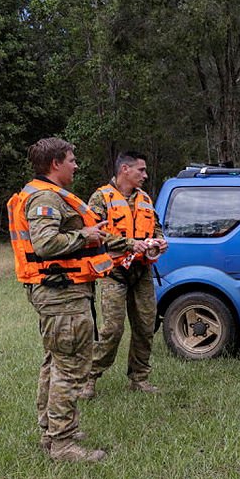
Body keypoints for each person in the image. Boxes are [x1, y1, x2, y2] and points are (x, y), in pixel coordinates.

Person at [7, 138, 147, 462]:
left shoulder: (45, 194)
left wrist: (125, 243)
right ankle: (63, 444)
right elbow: (45, 244)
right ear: (55, 163)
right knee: (69, 368)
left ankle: (51, 431)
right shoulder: (44, 197)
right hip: (61, 296)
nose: (76, 165)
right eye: (71, 160)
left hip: (61, 293)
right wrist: (86, 235)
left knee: (55, 363)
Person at [85, 152, 167, 397]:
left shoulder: (145, 199)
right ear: (124, 169)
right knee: (112, 329)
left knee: (145, 326)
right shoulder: (101, 198)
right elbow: (94, 232)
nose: (145, 175)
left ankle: (139, 378)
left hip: (142, 272)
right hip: (115, 272)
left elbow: (156, 228)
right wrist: (131, 244)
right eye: (140, 170)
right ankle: (90, 378)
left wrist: (160, 242)